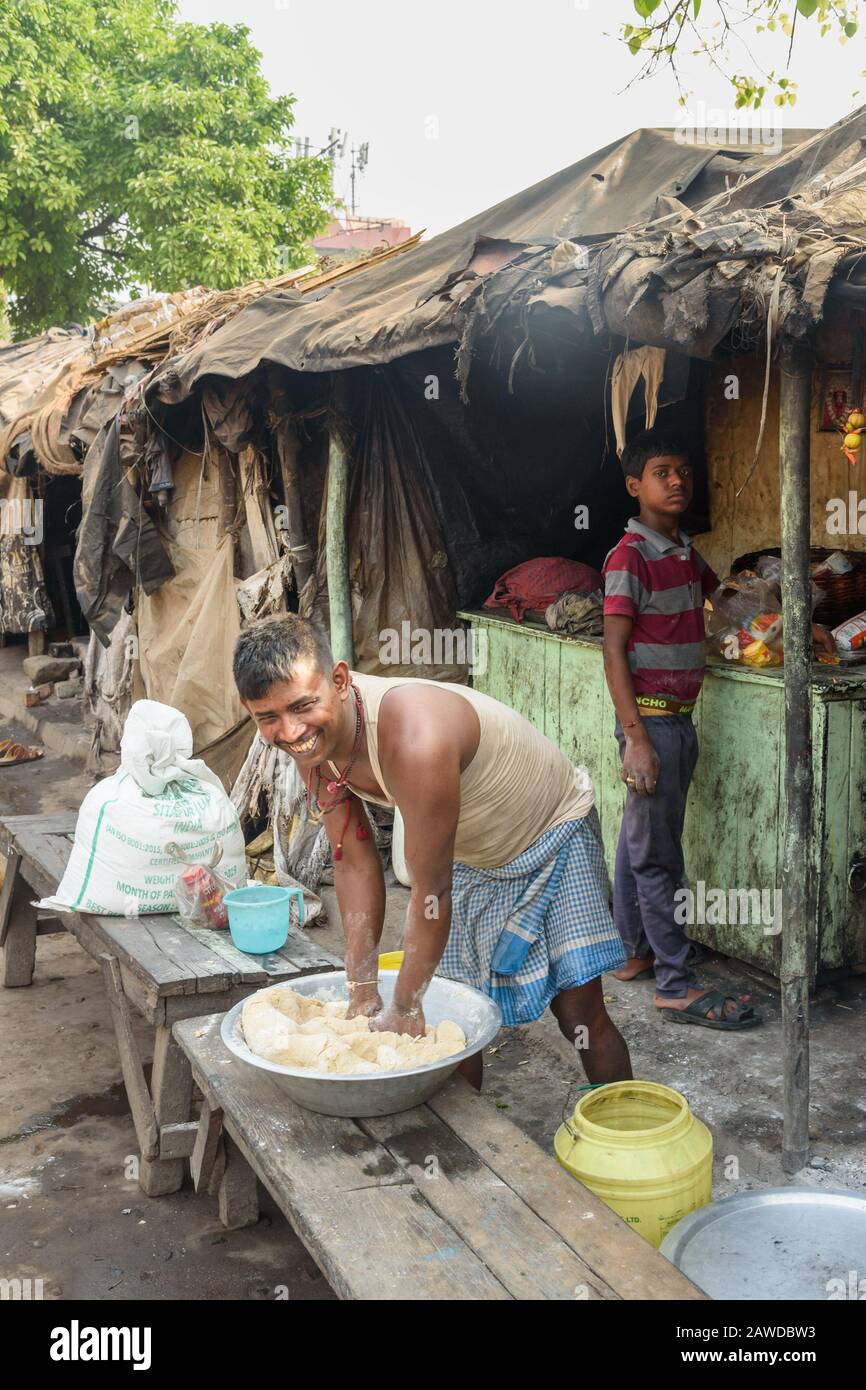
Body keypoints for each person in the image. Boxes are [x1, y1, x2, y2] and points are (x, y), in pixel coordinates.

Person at [232, 613, 632, 1088]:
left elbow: (431, 888)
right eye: (268, 718)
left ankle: (622, 1123)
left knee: (578, 1014)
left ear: (339, 680)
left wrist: (401, 1006)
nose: (291, 731)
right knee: (452, 1016)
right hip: (472, 852)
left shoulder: (413, 737)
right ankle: (470, 1151)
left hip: (550, 833)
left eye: (301, 707)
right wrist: (361, 988)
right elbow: (354, 860)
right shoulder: (314, 752)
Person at [602, 429, 834, 1030]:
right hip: (651, 720)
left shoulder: (681, 550)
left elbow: (729, 606)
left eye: (683, 469)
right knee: (657, 859)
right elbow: (613, 650)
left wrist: (793, 625)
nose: (677, 480)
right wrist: (635, 737)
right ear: (635, 486)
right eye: (662, 472)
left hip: (674, 720)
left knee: (640, 845)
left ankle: (635, 954)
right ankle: (675, 985)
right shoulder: (630, 557)